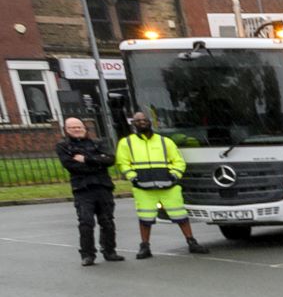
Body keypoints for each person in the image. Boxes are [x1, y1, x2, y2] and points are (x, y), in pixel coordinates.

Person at [114, 111, 207, 259]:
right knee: (145, 218)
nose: (142, 122)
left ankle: (192, 242)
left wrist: (174, 175)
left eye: (144, 119)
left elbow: (178, 161)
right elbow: (122, 163)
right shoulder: (126, 143)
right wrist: (133, 178)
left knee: (181, 215)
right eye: (138, 120)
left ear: (150, 122)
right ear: (133, 124)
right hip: (143, 187)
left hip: (169, 186)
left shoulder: (165, 141)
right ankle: (145, 247)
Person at [58, 115, 120, 266]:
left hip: (103, 186)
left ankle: (109, 251)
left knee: (107, 221)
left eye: (79, 127)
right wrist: (98, 163)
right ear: (66, 130)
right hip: (82, 189)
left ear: (84, 128)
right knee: (86, 222)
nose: (77, 129)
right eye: (72, 127)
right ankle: (87, 254)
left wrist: (86, 159)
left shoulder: (98, 143)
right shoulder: (63, 146)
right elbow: (71, 166)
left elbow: (110, 159)